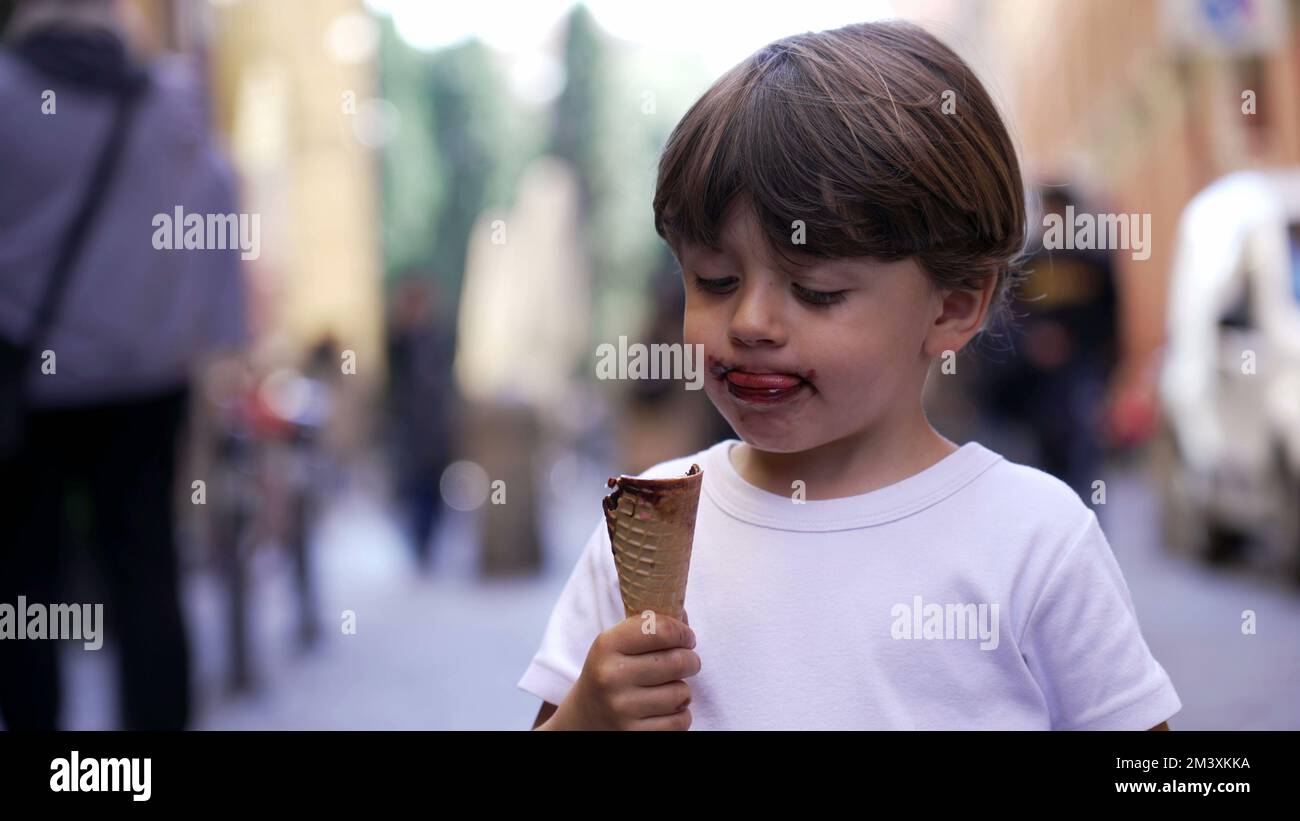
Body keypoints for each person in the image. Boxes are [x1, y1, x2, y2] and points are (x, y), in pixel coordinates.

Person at [517, 21, 1179, 730]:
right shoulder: (649, 526)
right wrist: (588, 713)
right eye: (715, 279)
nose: (751, 322)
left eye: (817, 291)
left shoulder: (1034, 539)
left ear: (953, 306)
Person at [0, 0, 247, 729]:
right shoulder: (171, 101)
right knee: (147, 581)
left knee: (25, 591)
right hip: (147, 382)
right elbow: (219, 202)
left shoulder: (7, 94)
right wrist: (216, 337)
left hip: (29, 387)